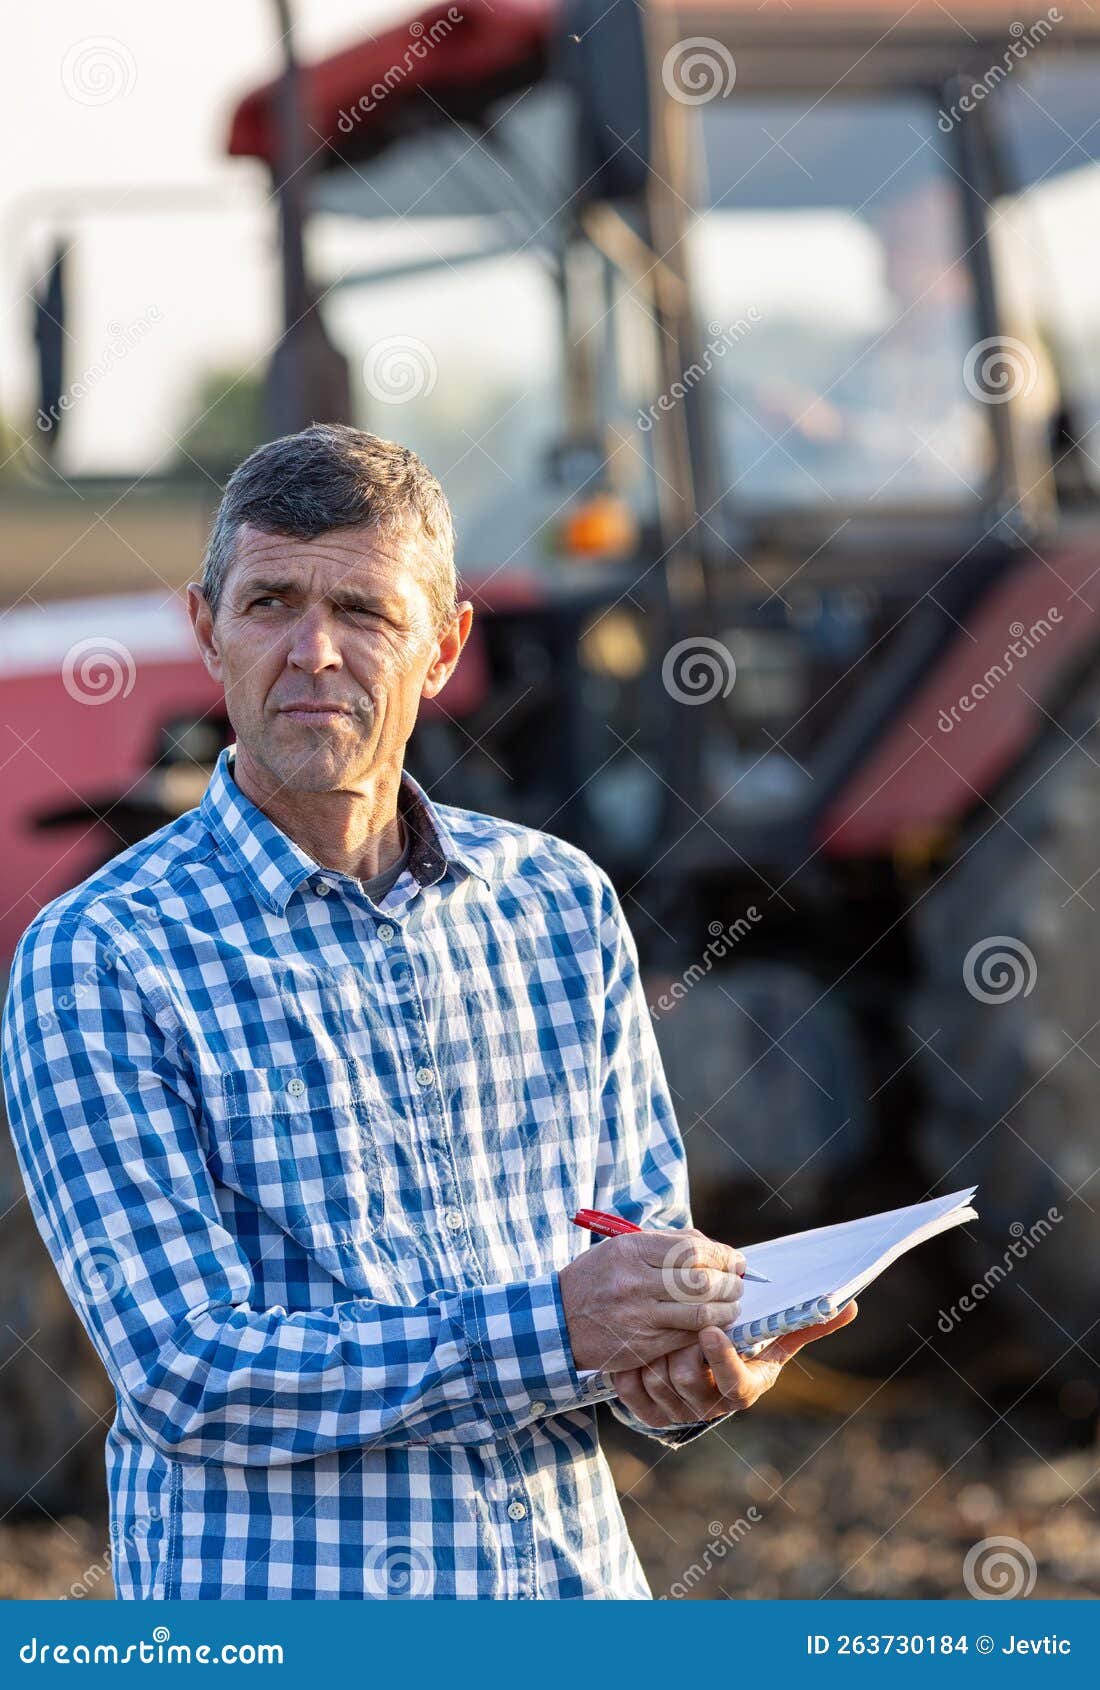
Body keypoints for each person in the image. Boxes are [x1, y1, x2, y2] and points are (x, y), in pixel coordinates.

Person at [1, 424, 854, 1600]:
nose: (313, 651)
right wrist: (564, 1330)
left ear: (445, 645)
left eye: (364, 610)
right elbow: (186, 1371)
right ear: (205, 629)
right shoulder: (102, 954)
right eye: (269, 603)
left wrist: (688, 1363)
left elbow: (632, 1263)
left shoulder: (559, 906)